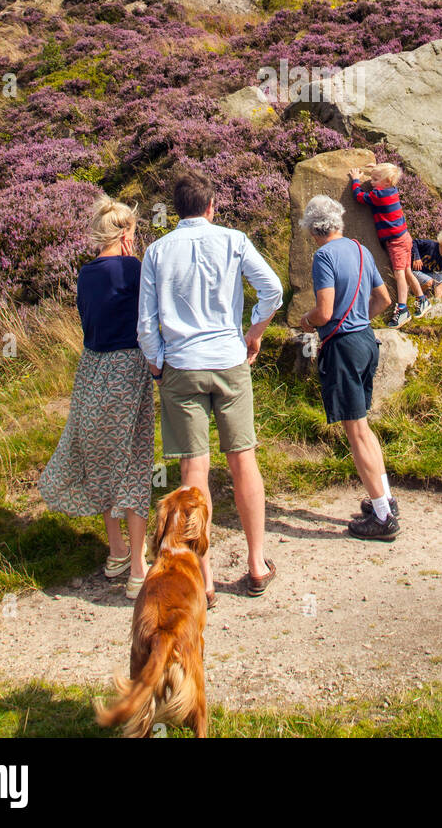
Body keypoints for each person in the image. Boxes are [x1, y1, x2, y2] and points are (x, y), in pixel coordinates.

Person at [137, 171, 283, 604]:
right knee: (243, 461)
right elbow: (272, 289)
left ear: (177, 210)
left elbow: (146, 325)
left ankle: (204, 578)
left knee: (192, 473)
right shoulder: (234, 240)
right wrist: (254, 332)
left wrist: (158, 365)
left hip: (181, 366)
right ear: (211, 207)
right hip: (229, 359)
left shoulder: (157, 251)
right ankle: (257, 566)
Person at [39, 196, 154, 600]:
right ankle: (139, 570)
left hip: (91, 369)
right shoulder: (133, 269)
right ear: (125, 235)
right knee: (136, 461)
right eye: (134, 234)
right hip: (128, 369)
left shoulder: (86, 272)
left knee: (103, 458)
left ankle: (117, 552)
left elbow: (88, 321)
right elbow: (149, 319)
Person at [298, 194, 397, 541]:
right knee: (364, 427)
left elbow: (324, 312)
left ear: (313, 230)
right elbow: (384, 299)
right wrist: (358, 323)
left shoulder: (323, 256)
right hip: (368, 342)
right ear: (338, 221)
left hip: (342, 349)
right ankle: (386, 499)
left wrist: (307, 321)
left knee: (355, 433)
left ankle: (383, 518)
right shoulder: (359, 249)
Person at [349, 162, 429, 328]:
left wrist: (355, 180)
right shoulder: (392, 190)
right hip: (405, 237)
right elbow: (387, 176)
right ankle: (422, 299)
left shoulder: (379, 195)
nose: (371, 182)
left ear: (386, 181)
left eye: (375, 178)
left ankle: (402, 309)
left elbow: (359, 197)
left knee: (399, 274)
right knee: (407, 272)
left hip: (396, 242)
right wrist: (376, 167)